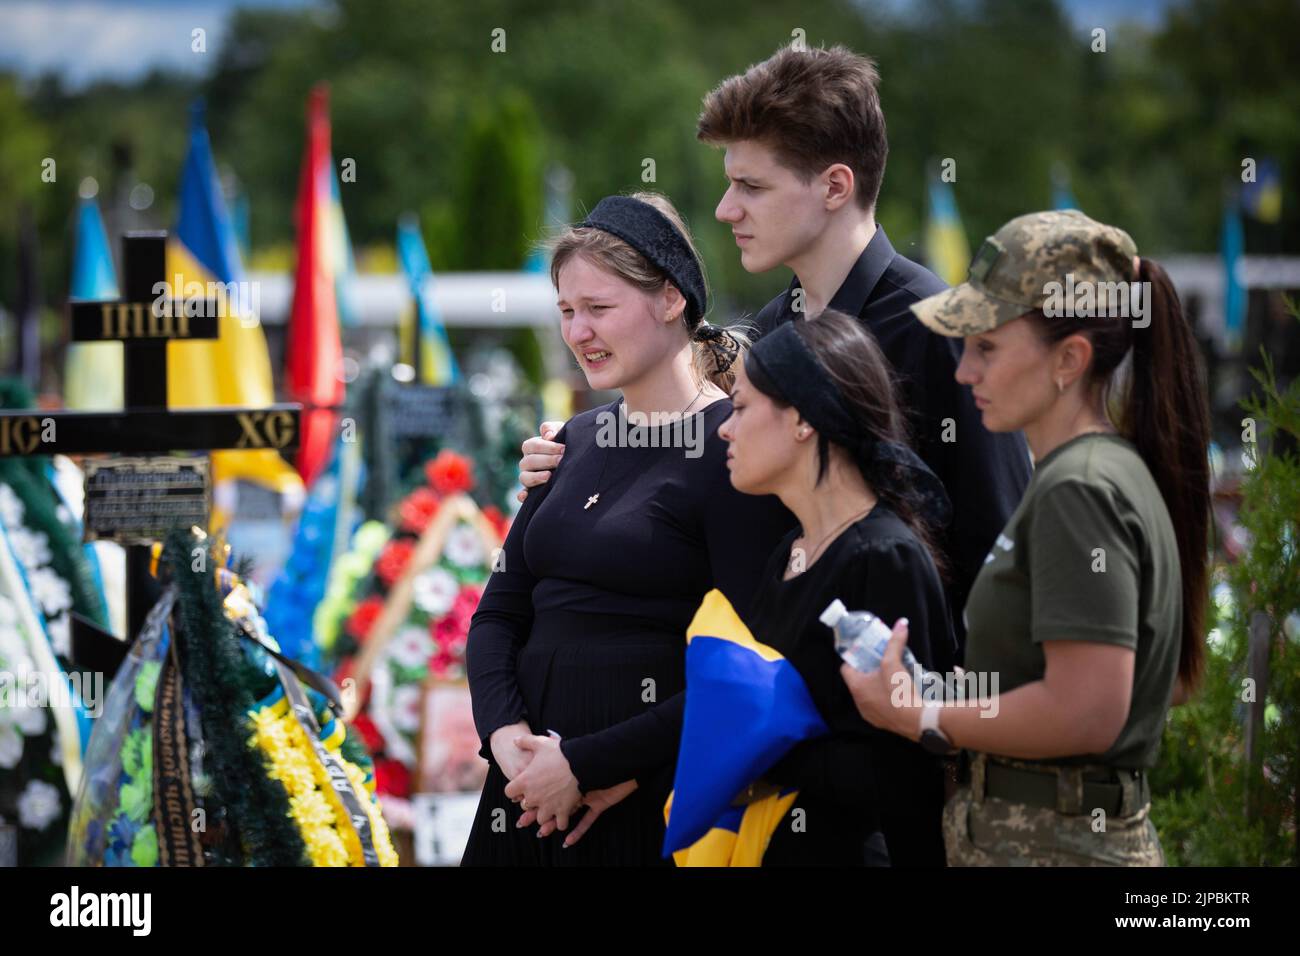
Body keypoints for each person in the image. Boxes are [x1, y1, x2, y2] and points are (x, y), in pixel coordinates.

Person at [517, 45, 1031, 655]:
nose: (724, 208)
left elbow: (1002, 552)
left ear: (836, 186)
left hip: (906, 725)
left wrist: (954, 725)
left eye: (751, 186)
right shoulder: (771, 329)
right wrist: (575, 464)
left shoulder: (934, 328)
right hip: (790, 705)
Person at [841, 210, 1210, 866]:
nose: (964, 372)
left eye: (987, 347)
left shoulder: (1080, 489)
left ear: (1069, 359)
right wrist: (930, 692)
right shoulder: (1092, 473)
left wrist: (921, 717)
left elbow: (1087, 710)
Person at [462, 192, 794, 866]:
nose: (578, 332)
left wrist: (594, 765)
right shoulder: (571, 442)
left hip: (644, 797)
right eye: (566, 312)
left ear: (671, 300)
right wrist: (506, 740)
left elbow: (752, 661)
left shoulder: (733, 446)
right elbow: (498, 612)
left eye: (599, 309)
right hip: (526, 790)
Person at [717, 309, 955, 866]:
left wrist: (754, 756)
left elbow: (909, 763)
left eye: (741, 407)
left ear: (801, 418)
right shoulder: (791, 552)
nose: (725, 427)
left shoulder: (884, 557)